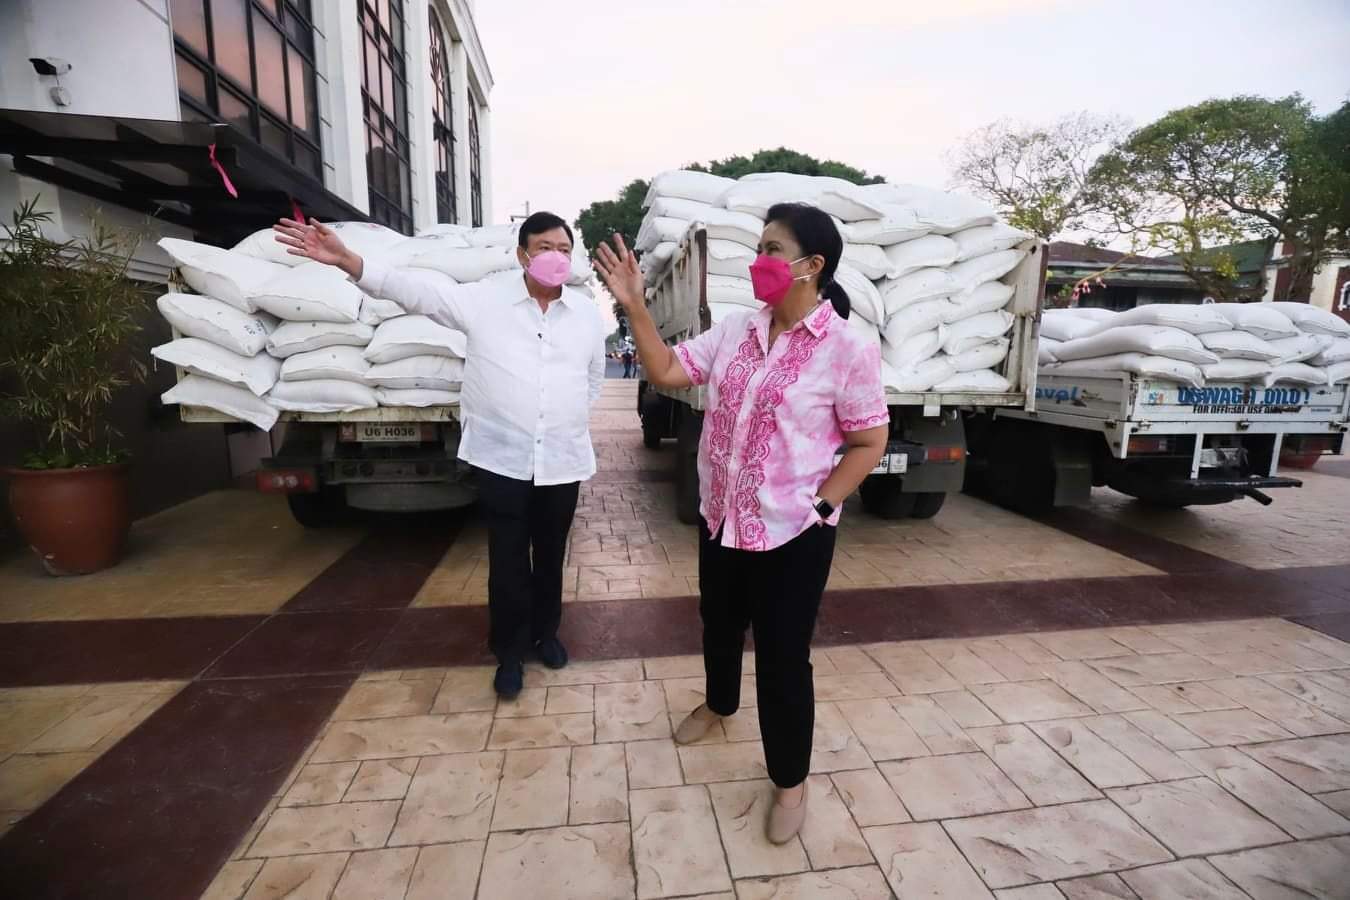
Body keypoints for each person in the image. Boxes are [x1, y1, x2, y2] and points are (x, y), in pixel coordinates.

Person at [594, 203, 888, 844]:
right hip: (723, 521)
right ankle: (720, 703)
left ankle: (790, 781)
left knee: (783, 660)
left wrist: (821, 506)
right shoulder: (735, 330)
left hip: (792, 535)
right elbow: (667, 371)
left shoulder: (847, 349)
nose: (759, 260)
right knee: (719, 625)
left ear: (811, 265)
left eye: (772, 249)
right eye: (758, 247)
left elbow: (869, 441)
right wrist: (635, 306)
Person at [274, 212, 607, 699]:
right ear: (522, 255)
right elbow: (417, 292)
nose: (555, 257)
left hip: (561, 460)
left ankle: (546, 635)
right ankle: (510, 651)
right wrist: (350, 261)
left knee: (552, 554)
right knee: (508, 560)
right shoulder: (485, 300)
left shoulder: (585, 317)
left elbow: (593, 379)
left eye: (563, 249)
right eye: (544, 247)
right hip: (503, 458)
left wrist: (564, 418)